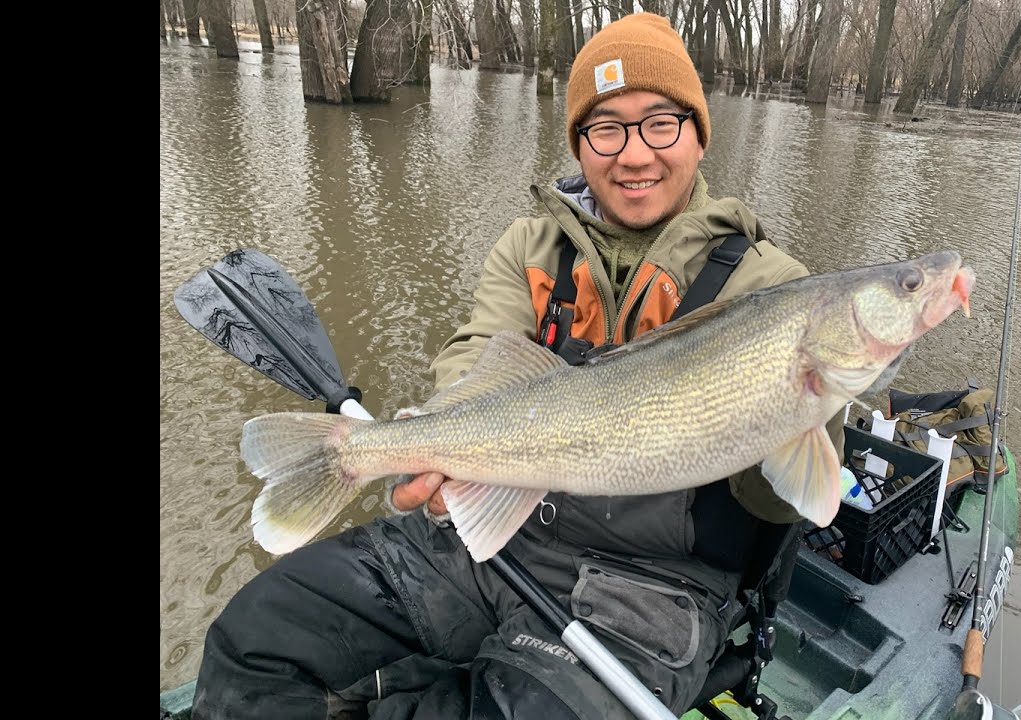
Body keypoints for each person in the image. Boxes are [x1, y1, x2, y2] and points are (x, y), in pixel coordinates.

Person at [193, 12, 854, 720]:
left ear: (698, 133)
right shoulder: (530, 245)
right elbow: (479, 356)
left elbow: (785, 507)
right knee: (256, 641)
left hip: (655, 590)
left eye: (661, 124)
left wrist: (800, 407)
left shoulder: (773, 287)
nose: (635, 155)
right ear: (579, 141)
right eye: (607, 129)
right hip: (500, 532)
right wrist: (438, 444)